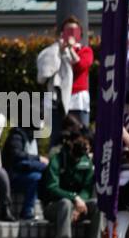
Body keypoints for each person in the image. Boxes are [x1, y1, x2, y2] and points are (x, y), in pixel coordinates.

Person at [41, 118, 100, 238]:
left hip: (79, 207)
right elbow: (52, 187)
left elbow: (86, 188)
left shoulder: (86, 161)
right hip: (55, 207)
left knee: (98, 204)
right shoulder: (57, 158)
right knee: (66, 203)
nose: (83, 145)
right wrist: (74, 198)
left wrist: (80, 203)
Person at [37, 16, 94, 145]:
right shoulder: (56, 51)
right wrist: (59, 49)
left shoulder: (85, 50)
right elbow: (46, 70)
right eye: (68, 31)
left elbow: (80, 65)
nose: (71, 35)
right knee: (58, 136)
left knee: (82, 134)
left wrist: (71, 49)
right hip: (59, 98)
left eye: (74, 31)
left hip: (78, 99)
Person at [2, 117, 48, 220]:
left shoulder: (32, 136)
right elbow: (17, 157)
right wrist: (39, 160)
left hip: (24, 172)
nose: (42, 123)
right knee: (36, 177)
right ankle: (27, 211)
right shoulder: (17, 135)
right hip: (13, 175)